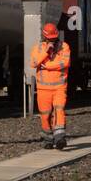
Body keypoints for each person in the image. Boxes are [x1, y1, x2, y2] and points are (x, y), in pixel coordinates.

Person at [30, 22, 70, 150]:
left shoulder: (64, 47)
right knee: (45, 114)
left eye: (54, 38)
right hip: (43, 88)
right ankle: (48, 139)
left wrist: (48, 66)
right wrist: (46, 52)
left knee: (59, 109)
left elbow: (65, 63)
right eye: (50, 39)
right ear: (45, 37)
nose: (52, 41)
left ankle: (59, 138)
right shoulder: (39, 48)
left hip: (59, 87)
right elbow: (33, 63)